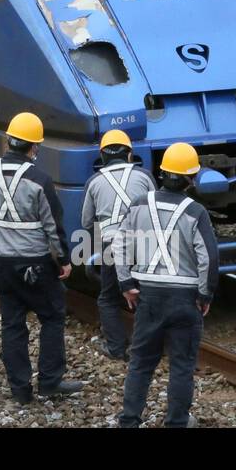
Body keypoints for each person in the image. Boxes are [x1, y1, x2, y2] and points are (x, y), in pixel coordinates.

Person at [0, 112, 84, 405]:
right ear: (34, 147)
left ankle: (20, 390)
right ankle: (50, 382)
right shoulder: (39, 180)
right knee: (52, 317)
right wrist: (64, 261)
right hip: (35, 264)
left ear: (8, 140)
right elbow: (53, 227)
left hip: (1, 264)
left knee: (12, 324)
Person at [113, 142, 218, 428]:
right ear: (190, 178)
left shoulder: (138, 204)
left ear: (162, 174)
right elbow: (208, 256)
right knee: (181, 366)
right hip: (184, 299)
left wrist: (125, 281)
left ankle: (129, 420)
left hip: (148, 296)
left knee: (141, 363)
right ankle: (176, 422)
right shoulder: (196, 212)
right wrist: (205, 293)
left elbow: (119, 243)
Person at [80, 129, 155, 361]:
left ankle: (116, 348)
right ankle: (146, 347)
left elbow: (86, 221)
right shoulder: (145, 176)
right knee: (146, 294)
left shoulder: (94, 182)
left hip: (112, 244)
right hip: (143, 242)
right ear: (129, 154)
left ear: (102, 156)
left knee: (108, 297)